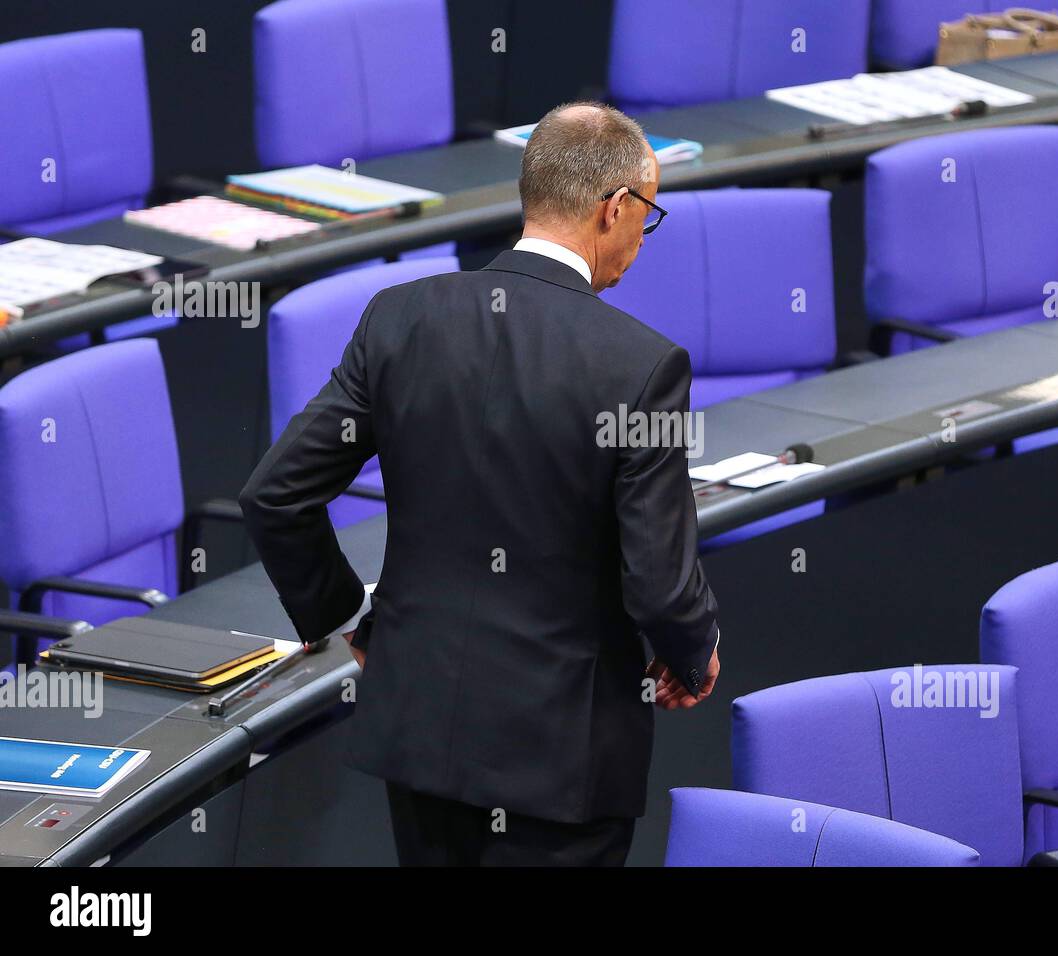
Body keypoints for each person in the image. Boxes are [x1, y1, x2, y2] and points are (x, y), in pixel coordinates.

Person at [239, 102, 721, 866]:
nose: (641, 236)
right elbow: (660, 583)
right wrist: (693, 655)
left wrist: (361, 623)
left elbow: (275, 494)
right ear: (616, 208)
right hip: (562, 755)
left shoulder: (400, 318)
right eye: (647, 215)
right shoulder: (642, 367)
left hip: (423, 729)